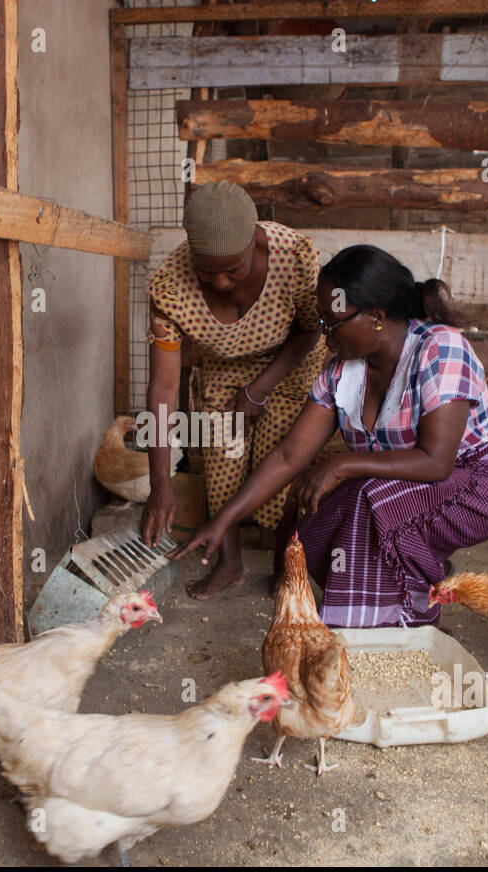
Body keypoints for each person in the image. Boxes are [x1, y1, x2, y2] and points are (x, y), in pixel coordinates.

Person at [172, 244, 488, 628]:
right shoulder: (342, 374)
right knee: (316, 504)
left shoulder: (440, 350)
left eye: (332, 322)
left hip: (479, 487)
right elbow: (289, 456)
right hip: (403, 493)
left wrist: (341, 463)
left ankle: (402, 619)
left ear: (375, 317)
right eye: (321, 321)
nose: (324, 336)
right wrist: (225, 518)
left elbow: (437, 462)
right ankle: (406, 573)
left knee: (366, 500)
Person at [140, 181, 325, 599]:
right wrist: (160, 481)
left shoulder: (295, 256)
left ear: (255, 240)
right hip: (225, 370)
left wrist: (259, 390)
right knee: (222, 467)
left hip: (291, 367)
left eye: (233, 270)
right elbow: (164, 386)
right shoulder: (168, 287)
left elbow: (311, 330)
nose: (221, 283)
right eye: (208, 271)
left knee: (280, 472)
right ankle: (229, 565)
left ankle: (284, 568)